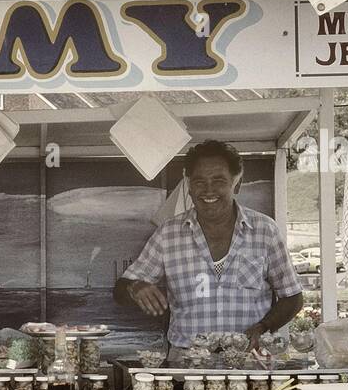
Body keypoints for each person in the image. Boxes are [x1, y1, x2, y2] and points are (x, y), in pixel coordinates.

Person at [117, 140, 303, 354]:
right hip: (187, 369)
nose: (208, 190)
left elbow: (293, 297)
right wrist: (135, 287)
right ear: (189, 186)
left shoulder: (265, 230)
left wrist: (262, 327)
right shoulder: (168, 234)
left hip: (250, 365)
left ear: (237, 183)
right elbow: (121, 288)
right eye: (199, 182)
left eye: (218, 181)